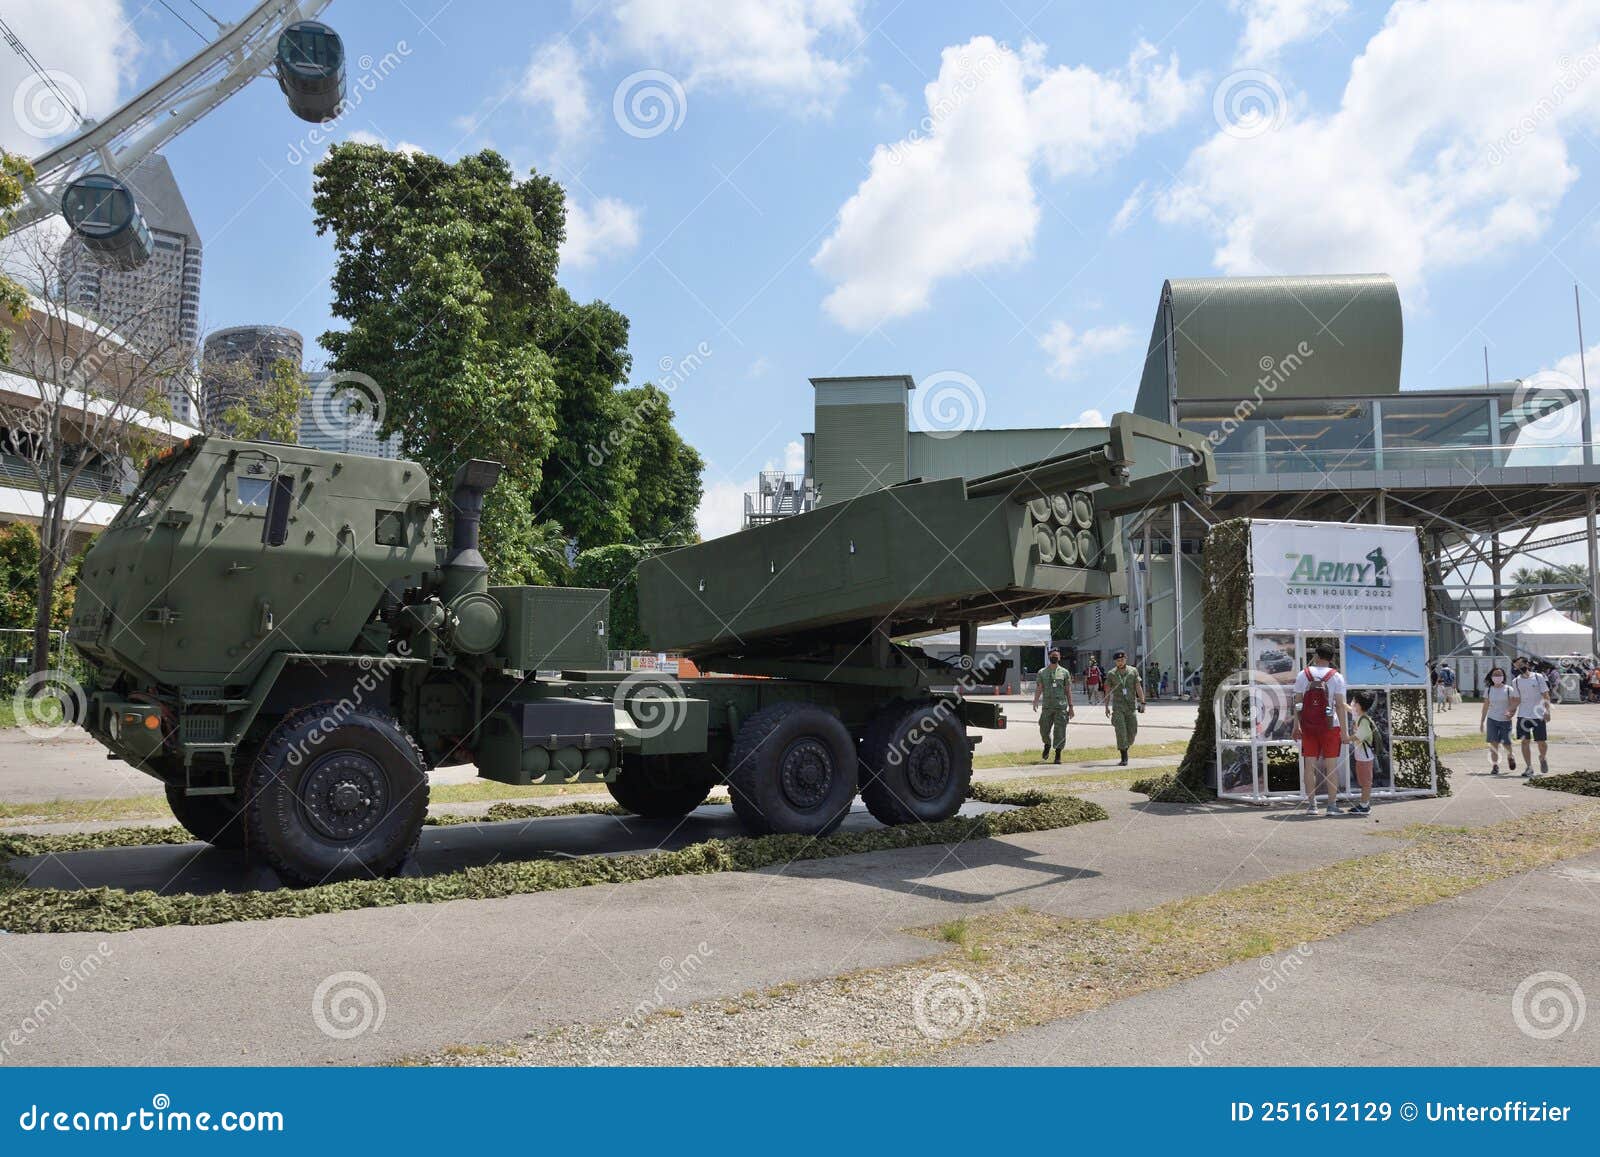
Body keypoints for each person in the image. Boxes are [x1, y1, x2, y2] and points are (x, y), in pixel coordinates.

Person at [1293, 643, 1348, 816]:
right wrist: (1345, 732)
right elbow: (1339, 706)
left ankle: (1312, 806)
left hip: (1308, 726)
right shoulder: (1336, 677)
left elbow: (1298, 703)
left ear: (1316, 656)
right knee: (1331, 767)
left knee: (1309, 766)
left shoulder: (1304, 674)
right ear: (1332, 659)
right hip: (1331, 726)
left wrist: (1297, 725)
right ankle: (1331, 806)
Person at [1031, 648, 1074, 764]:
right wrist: (1035, 701)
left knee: (1060, 731)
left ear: (1059, 658)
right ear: (1049, 657)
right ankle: (1047, 744)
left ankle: (1058, 754)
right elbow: (1039, 688)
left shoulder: (1064, 672)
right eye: (1052, 655)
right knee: (1043, 729)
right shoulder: (1042, 672)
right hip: (1047, 706)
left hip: (1061, 707)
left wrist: (1071, 707)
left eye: (1056, 655)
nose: (1054, 657)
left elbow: (1068, 690)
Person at [1512, 659, 1553, 778]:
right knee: (1525, 742)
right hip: (1523, 715)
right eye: (1516, 666)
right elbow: (1517, 699)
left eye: (1521, 665)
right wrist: (1510, 711)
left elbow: (1545, 695)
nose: (1519, 667)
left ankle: (1542, 757)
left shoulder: (1538, 677)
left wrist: (1547, 711)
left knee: (1541, 742)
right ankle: (1529, 767)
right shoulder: (1516, 681)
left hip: (1538, 715)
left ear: (1527, 664)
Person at [1104, 650, 1145, 765]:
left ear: (1126, 659)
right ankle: (1124, 757)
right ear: (1115, 662)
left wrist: (1142, 702)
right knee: (1120, 731)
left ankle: (1126, 746)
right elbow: (1107, 691)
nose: (1120, 662)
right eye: (1118, 661)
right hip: (1118, 706)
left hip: (1131, 706)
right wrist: (1106, 706)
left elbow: (1138, 687)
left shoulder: (1133, 671)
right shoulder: (1111, 674)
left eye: (1122, 660)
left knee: (1132, 731)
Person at [1479, 665, 1517, 775]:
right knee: (1493, 744)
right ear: (1491, 677)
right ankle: (1495, 765)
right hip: (1492, 719)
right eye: (1495, 675)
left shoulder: (1508, 689)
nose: (1497, 677)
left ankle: (1510, 756)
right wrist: (1482, 721)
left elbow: (1513, 704)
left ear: (1503, 677)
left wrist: (1511, 714)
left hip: (1505, 720)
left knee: (1506, 743)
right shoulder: (1489, 689)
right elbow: (1485, 706)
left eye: (1499, 675)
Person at [1347, 690, 1378, 814]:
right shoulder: (1359, 715)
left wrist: (1345, 739)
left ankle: (1365, 806)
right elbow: (1349, 708)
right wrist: (1338, 703)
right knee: (1362, 781)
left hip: (1365, 757)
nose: (1353, 703)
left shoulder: (1364, 720)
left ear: (1360, 705)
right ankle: (1363, 804)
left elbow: (1359, 736)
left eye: (1355, 702)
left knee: (1365, 782)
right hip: (1361, 757)